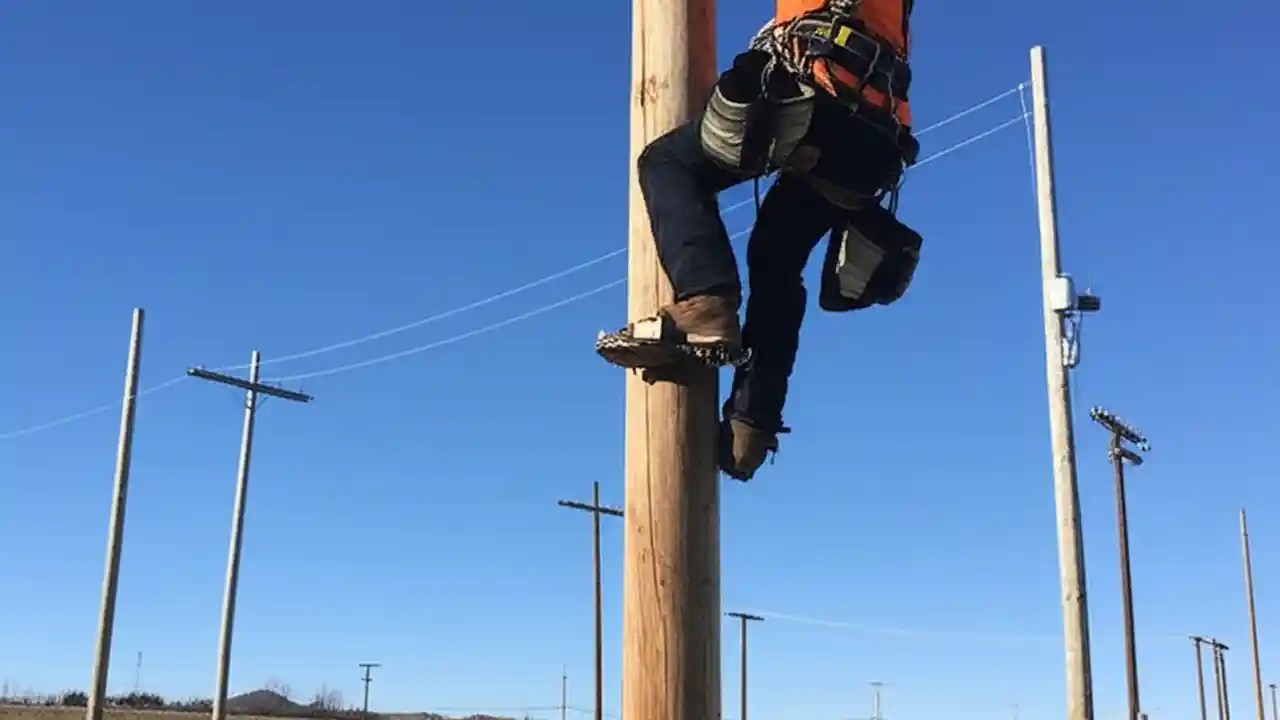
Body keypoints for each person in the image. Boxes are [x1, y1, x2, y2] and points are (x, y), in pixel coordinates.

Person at [597, 0, 924, 481]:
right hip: (877, 137)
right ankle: (752, 422)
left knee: (668, 164)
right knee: (775, 257)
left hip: (818, 93)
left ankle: (706, 300)